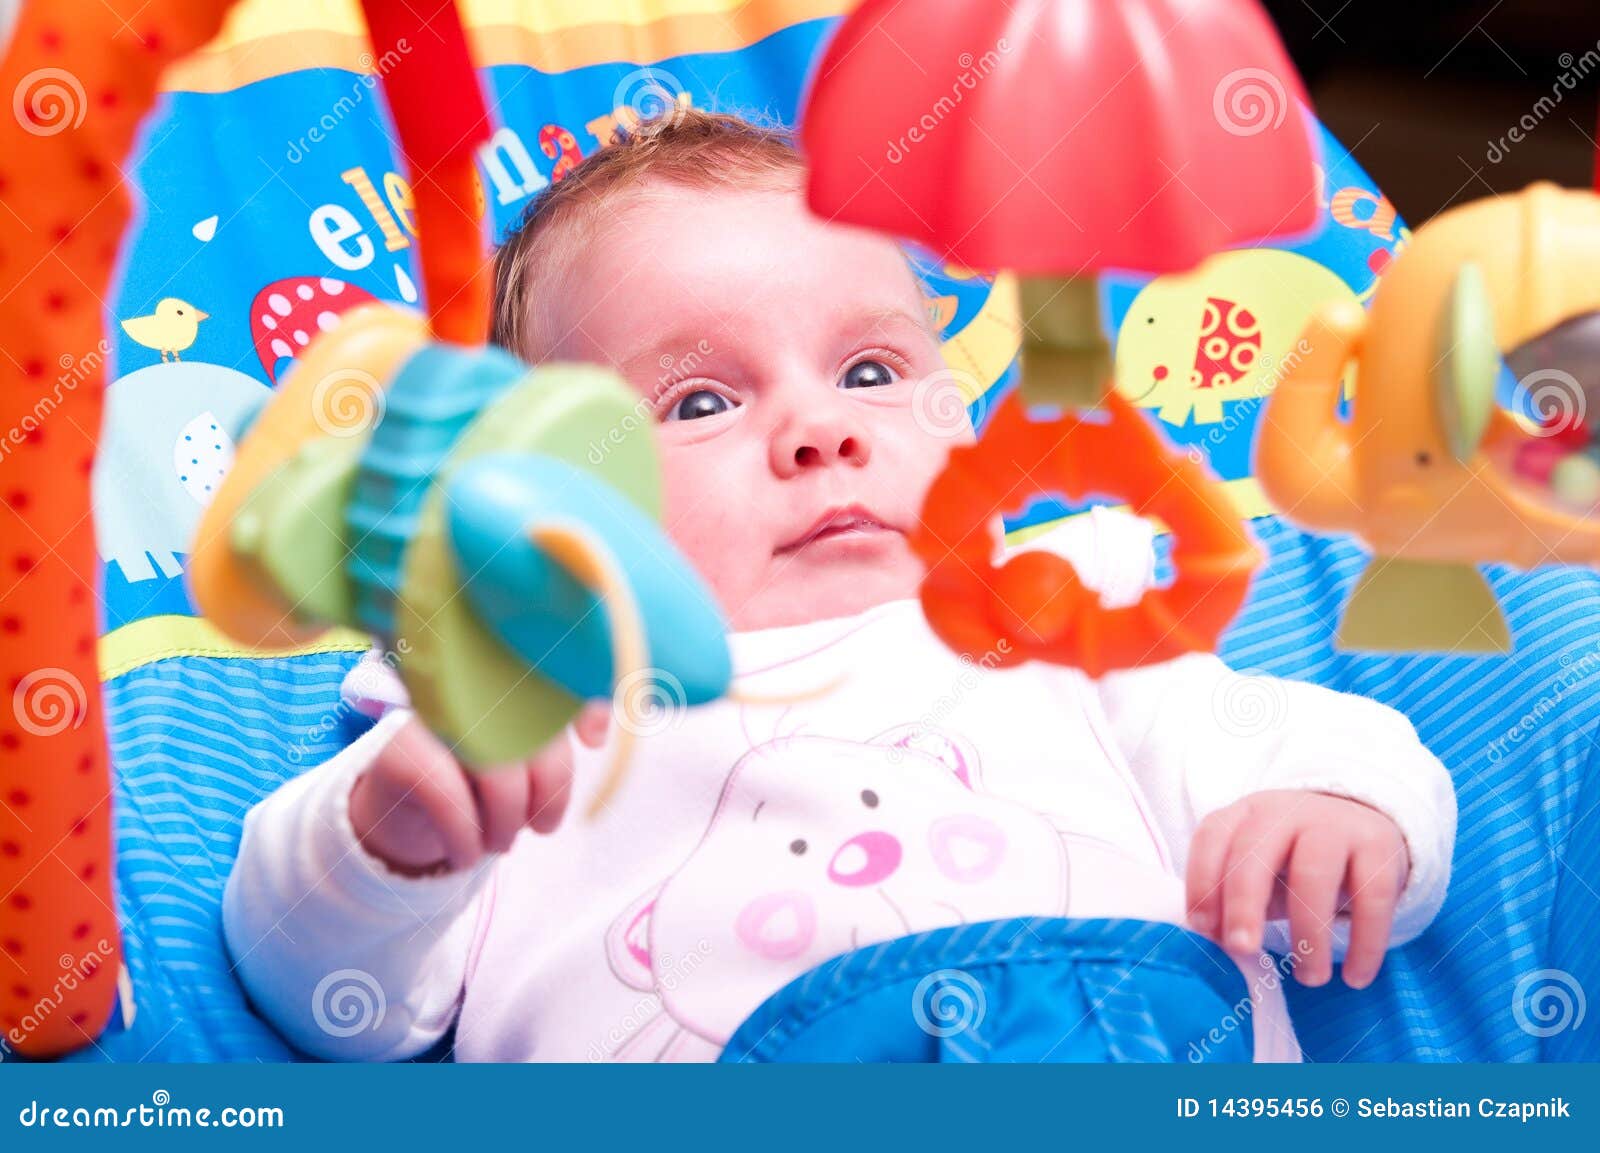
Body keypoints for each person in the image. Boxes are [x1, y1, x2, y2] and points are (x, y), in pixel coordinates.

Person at [223, 110, 1455, 1062]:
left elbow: (1326, 752)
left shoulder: (1056, 612)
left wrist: (1344, 815)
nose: (819, 430)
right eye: (699, 401)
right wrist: (396, 838)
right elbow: (334, 1001)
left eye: (870, 370)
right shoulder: (524, 678)